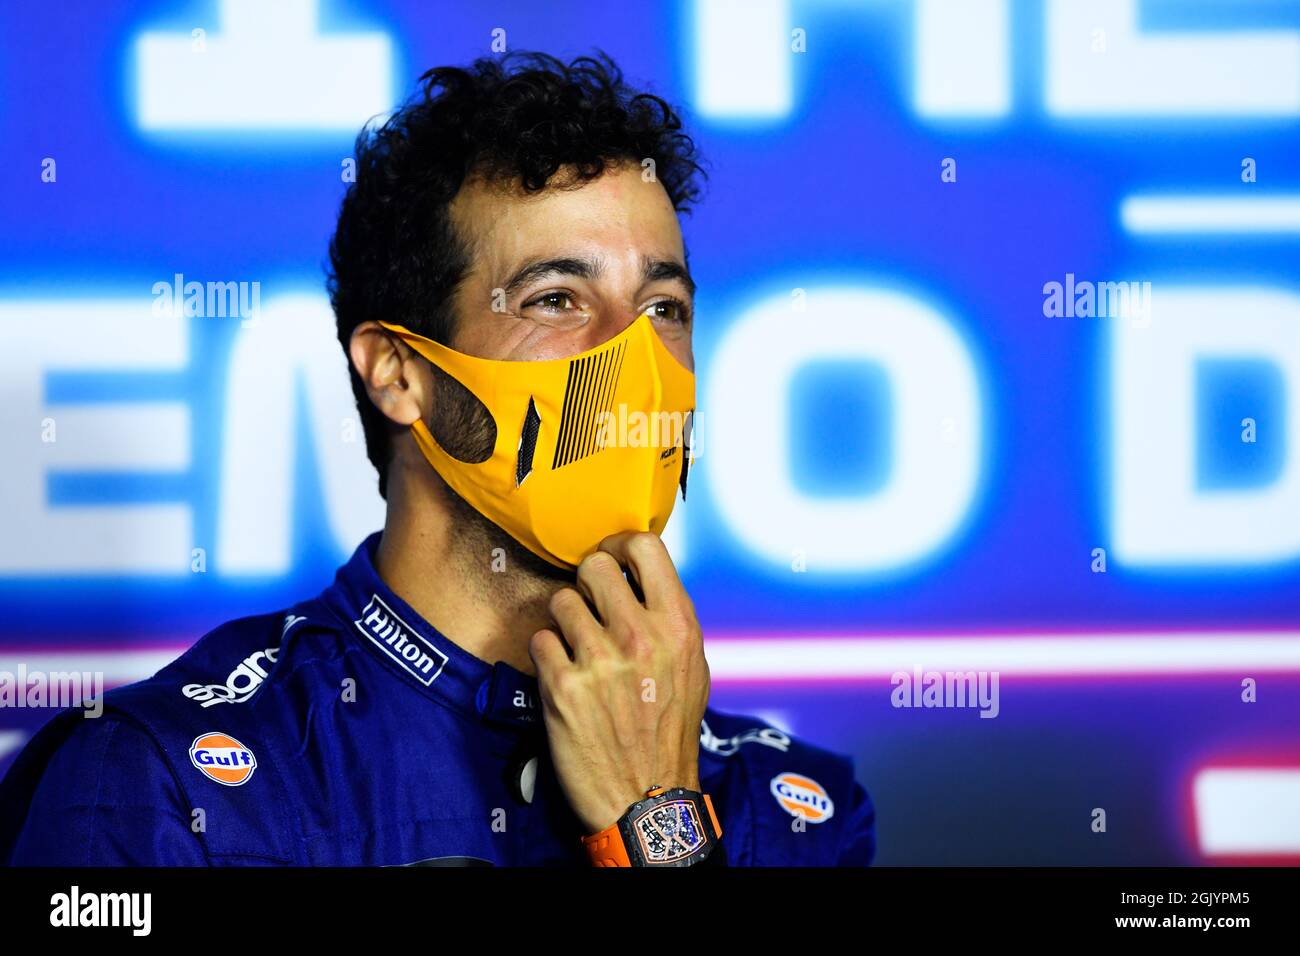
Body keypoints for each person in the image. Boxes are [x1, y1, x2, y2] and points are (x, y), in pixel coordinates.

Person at [0, 51, 875, 867]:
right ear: (399, 372)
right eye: (559, 298)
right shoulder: (163, 786)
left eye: (663, 307)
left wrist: (659, 817)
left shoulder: (792, 810)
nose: (633, 358)